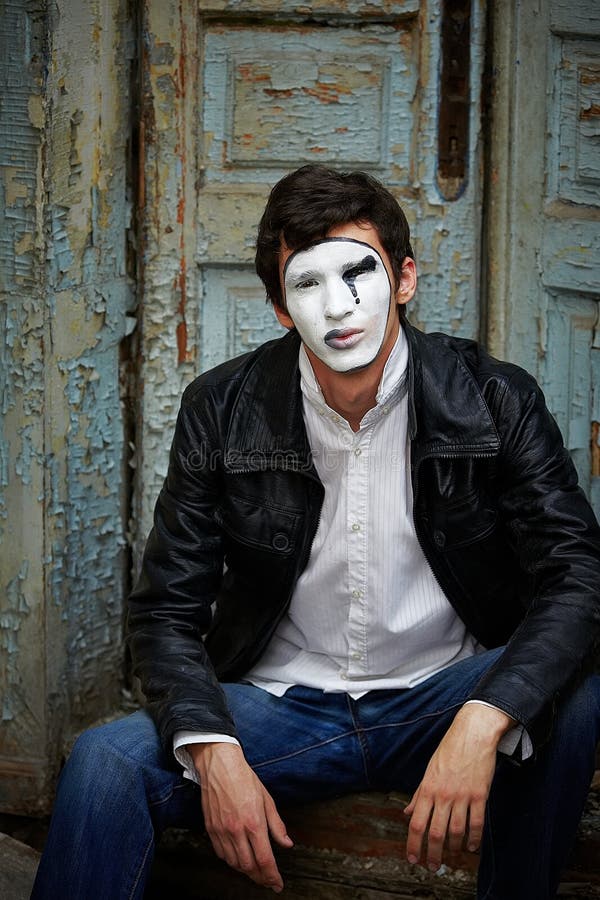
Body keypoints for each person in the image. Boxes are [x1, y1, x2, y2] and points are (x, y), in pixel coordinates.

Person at [32, 165, 600, 900]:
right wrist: (214, 749)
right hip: (283, 709)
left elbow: (578, 576)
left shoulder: (494, 398)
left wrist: (486, 716)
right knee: (105, 763)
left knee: (573, 696)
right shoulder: (221, 408)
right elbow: (166, 610)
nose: (338, 307)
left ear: (405, 279)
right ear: (279, 309)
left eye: (359, 273)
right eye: (306, 284)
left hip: (443, 698)